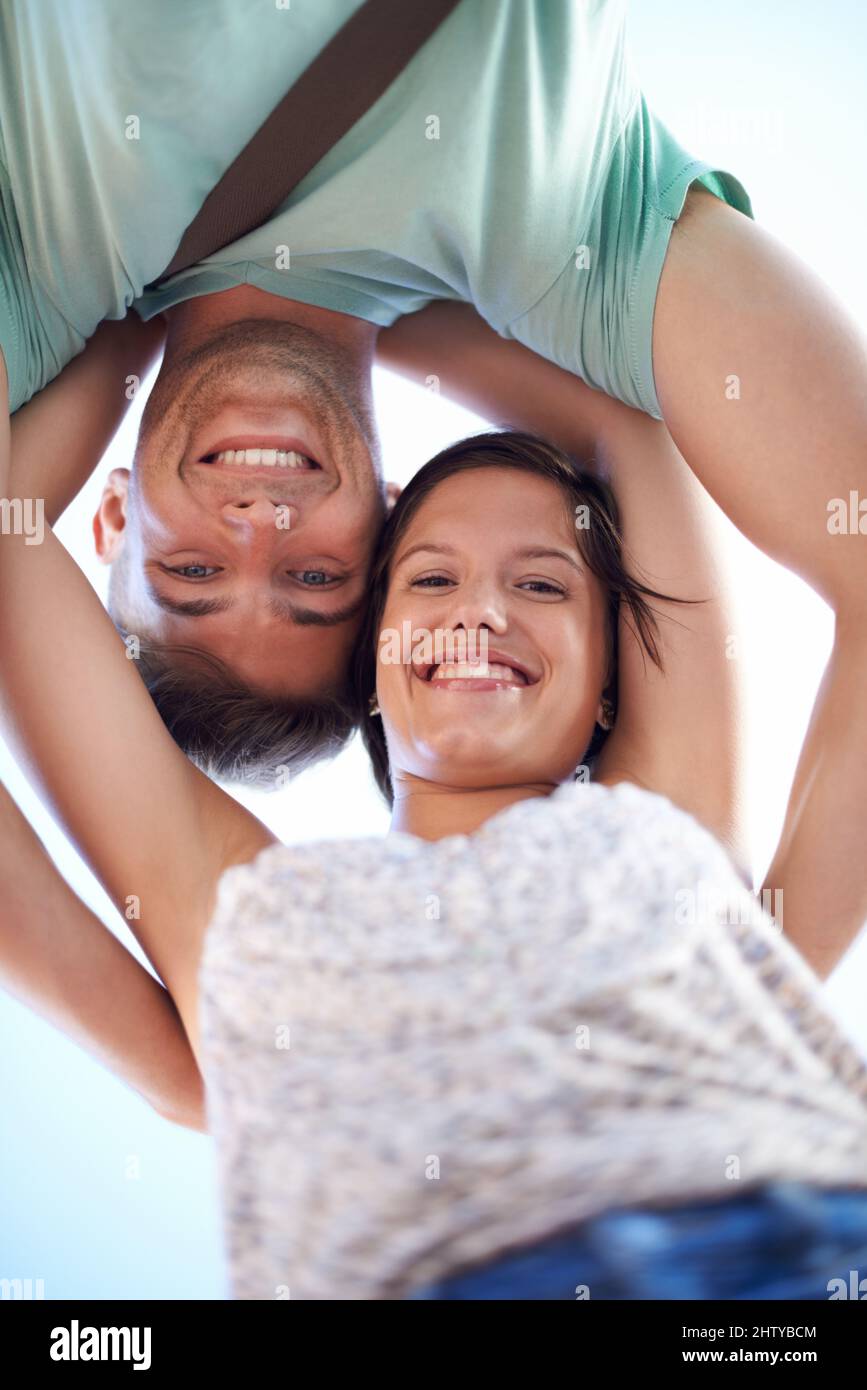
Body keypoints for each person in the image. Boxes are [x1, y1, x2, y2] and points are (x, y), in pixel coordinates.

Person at [2, 328, 867, 1295]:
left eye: (541, 583)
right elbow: (11, 517)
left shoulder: (664, 817)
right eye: (430, 579)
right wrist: (169, 310)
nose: (478, 614)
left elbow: (628, 430)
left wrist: (350, 309)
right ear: (374, 656)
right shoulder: (240, 904)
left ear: (613, 683)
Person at [6, 2, 864, 789]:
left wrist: (100, 326)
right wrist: (762, 964)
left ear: (112, 517)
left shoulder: (33, 251)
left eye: (192, 570)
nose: (258, 520)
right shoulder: (566, 255)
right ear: (393, 517)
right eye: (315, 575)